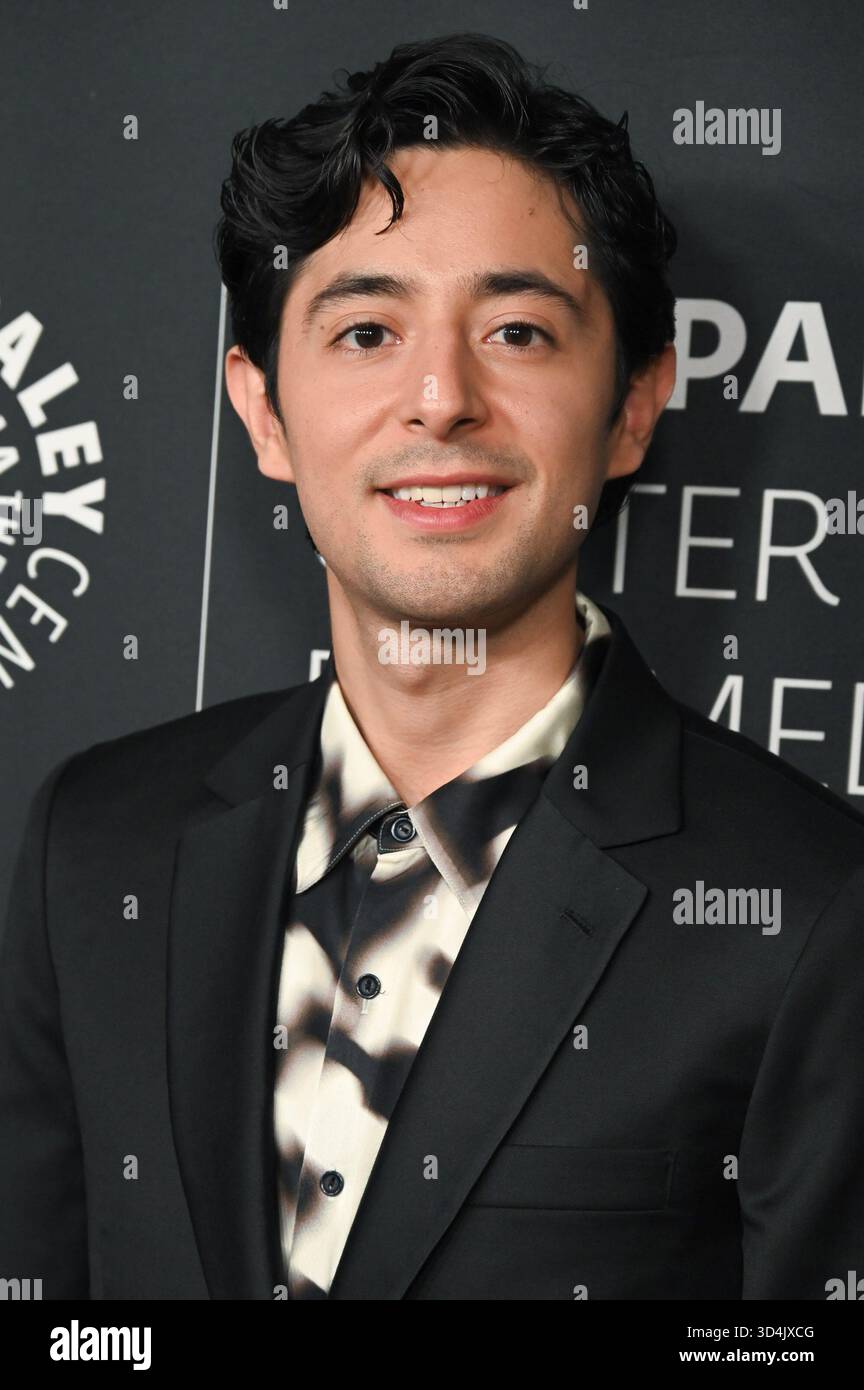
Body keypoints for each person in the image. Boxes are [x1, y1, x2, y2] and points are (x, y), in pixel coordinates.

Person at [2, 31, 863, 1301]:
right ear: (261, 410)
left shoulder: (810, 913)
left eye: (517, 329)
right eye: (364, 332)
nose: (440, 398)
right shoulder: (100, 841)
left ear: (633, 404)